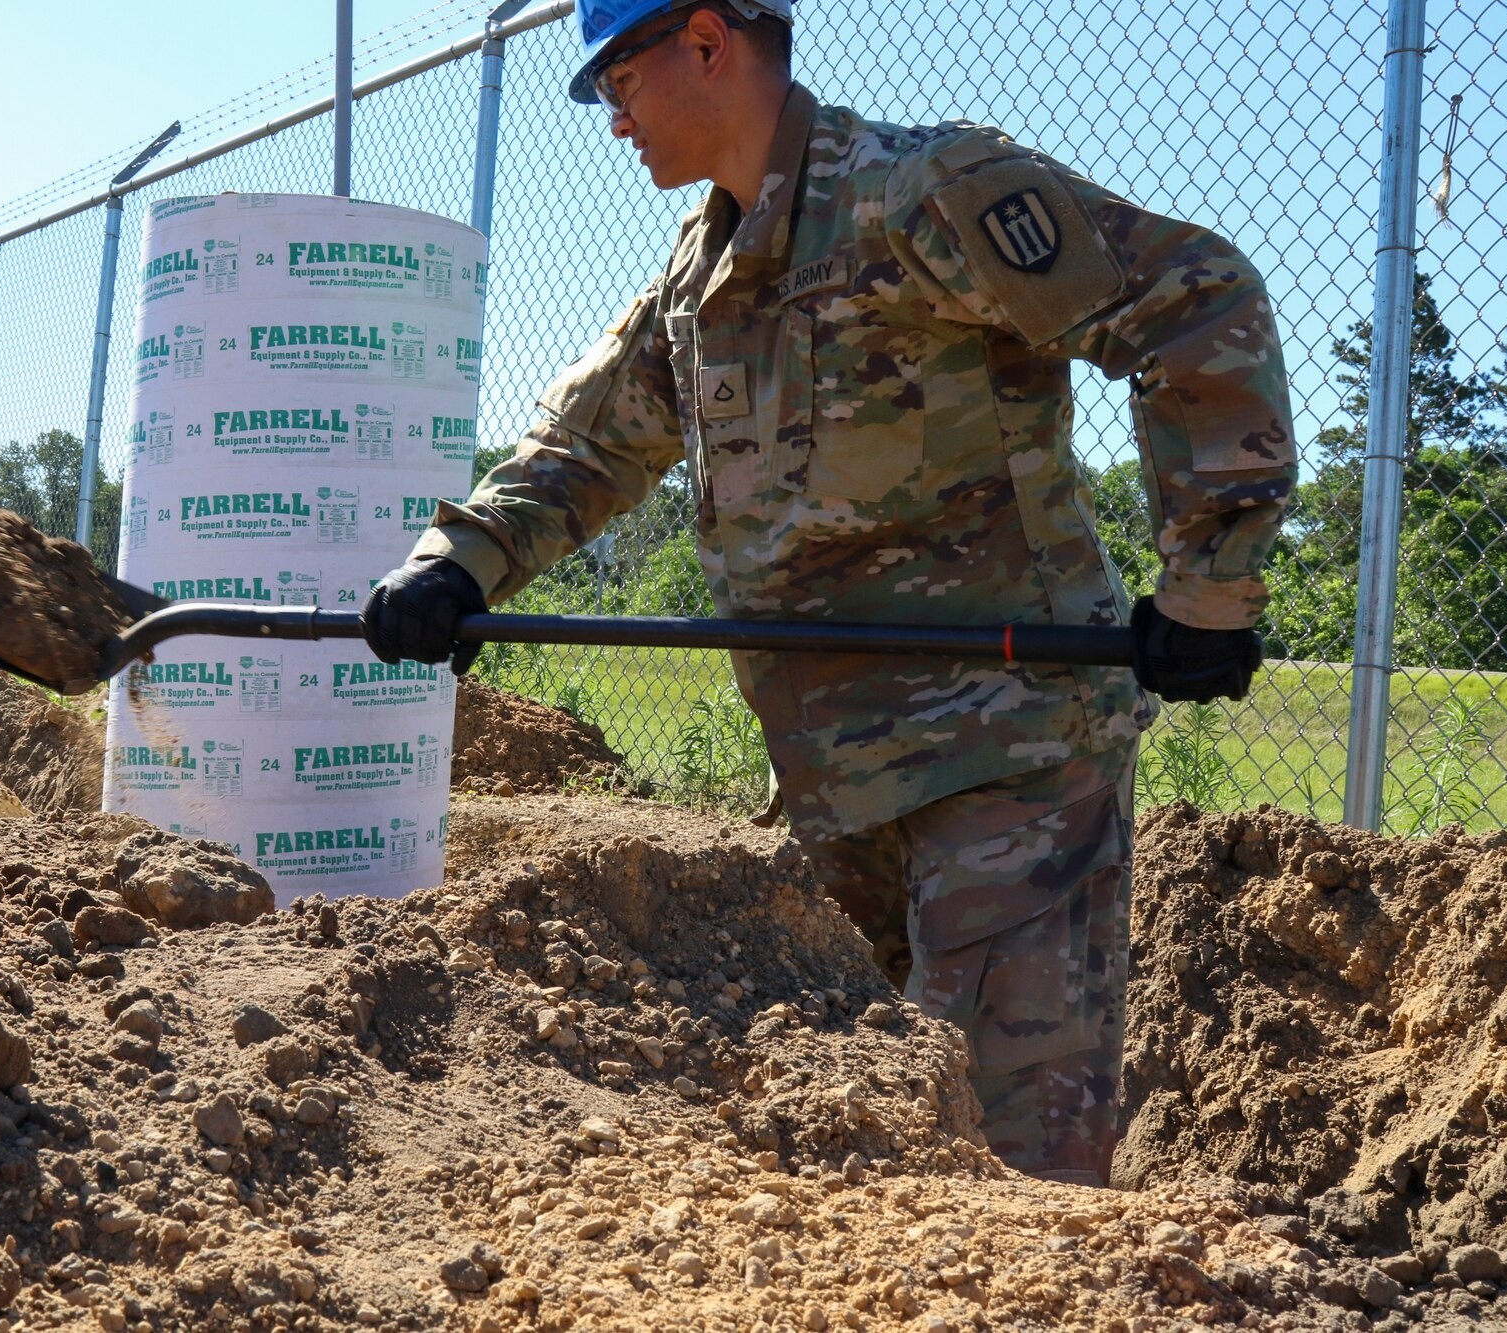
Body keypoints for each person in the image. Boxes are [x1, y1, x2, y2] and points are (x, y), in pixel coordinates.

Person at [364, 0, 1295, 1185]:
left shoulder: (920, 194)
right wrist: (460, 560)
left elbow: (1192, 295)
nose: (611, 120)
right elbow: (589, 446)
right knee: (869, 1163)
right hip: (833, 783)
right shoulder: (702, 272)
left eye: (617, 80)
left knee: (1013, 1177)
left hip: (1004, 761)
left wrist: (1209, 582)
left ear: (706, 42)